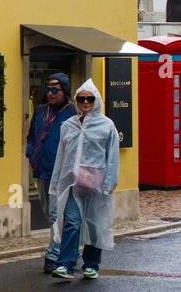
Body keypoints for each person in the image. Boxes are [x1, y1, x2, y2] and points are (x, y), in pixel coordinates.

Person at [49, 80, 120, 280]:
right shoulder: (68, 126)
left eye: (90, 98)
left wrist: (109, 184)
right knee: (71, 221)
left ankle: (91, 263)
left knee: (94, 224)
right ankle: (66, 264)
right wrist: (56, 182)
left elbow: (112, 157)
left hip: (97, 184)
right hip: (73, 182)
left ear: (96, 100)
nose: (86, 102)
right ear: (76, 100)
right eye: (82, 99)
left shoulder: (107, 126)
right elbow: (61, 157)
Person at [25, 73, 76, 274]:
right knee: (48, 212)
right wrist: (30, 152)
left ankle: (53, 255)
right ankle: (68, 249)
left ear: (64, 91)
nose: (50, 93)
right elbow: (30, 135)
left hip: (62, 173)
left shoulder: (72, 112)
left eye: (55, 90)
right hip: (41, 170)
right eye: (48, 89)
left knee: (57, 214)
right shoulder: (40, 110)